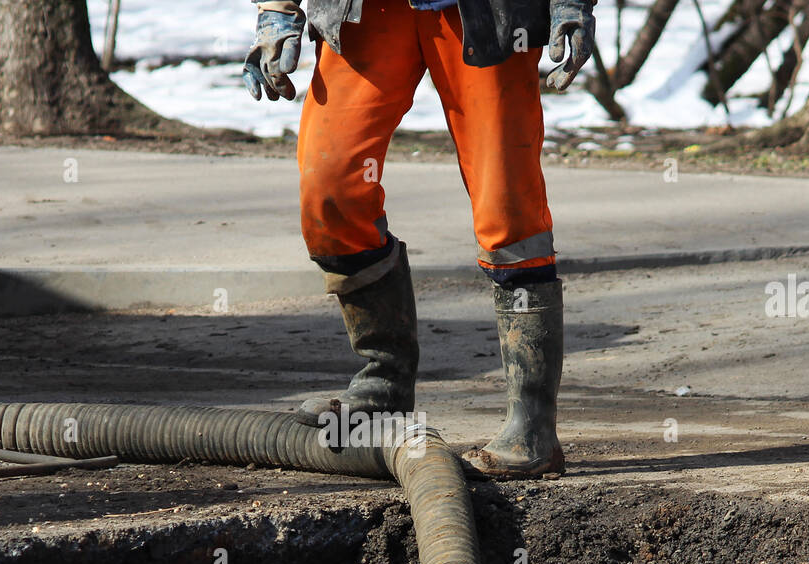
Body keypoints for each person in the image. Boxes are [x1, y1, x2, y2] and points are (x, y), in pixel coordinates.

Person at [244, 0, 595, 478]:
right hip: (366, 12)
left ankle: (532, 425)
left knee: (507, 203)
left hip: (484, 14)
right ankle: (383, 383)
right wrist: (276, 11)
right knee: (331, 186)